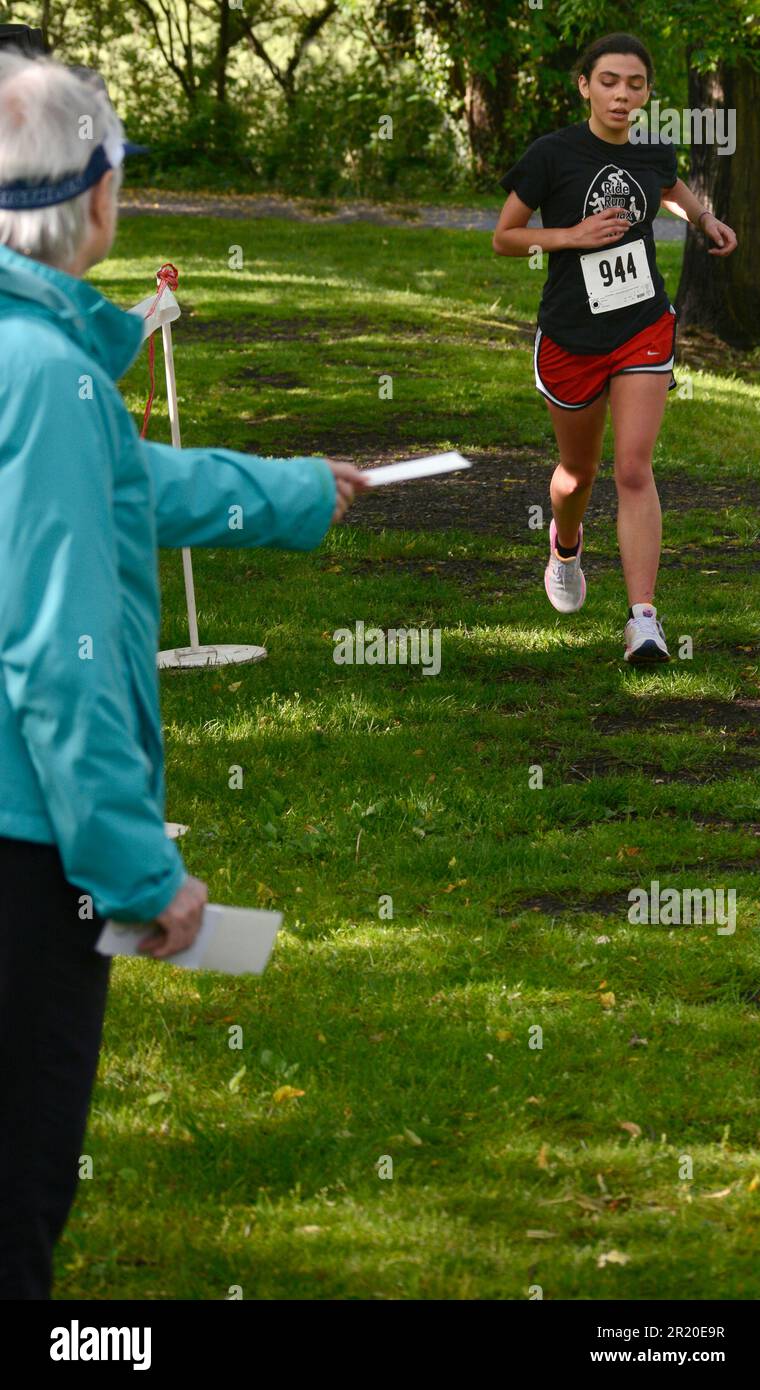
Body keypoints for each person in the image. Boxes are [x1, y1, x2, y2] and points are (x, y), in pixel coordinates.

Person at [0, 49, 368, 1299]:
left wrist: (296, 492)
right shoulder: (46, 376)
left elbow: (124, 484)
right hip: (21, 860)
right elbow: (60, 653)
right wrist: (134, 872)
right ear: (92, 197)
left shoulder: (30, 368)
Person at [493, 31, 737, 662]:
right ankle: (565, 543)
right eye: (609, 81)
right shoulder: (552, 154)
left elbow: (671, 190)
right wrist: (571, 235)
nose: (622, 95)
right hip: (572, 334)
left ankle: (643, 620)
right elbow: (505, 236)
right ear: (584, 86)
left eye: (635, 84)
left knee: (633, 467)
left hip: (642, 325)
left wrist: (705, 219)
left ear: (647, 92)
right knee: (578, 474)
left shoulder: (652, 152)